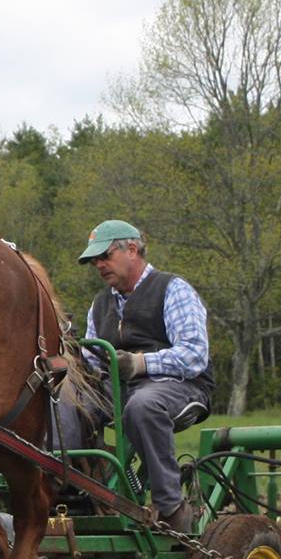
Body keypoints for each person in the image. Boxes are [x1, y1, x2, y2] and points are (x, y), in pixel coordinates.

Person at [57, 220, 213, 534]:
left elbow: (195, 354)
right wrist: (69, 363)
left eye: (105, 256)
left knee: (143, 405)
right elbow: (91, 363)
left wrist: (141, 363)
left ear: (132, 249)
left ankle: (171, 507)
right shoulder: (100, 304)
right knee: (65, 404)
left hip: (177, 385)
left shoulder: (172, 289)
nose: (99, 265)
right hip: (117, 386)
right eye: (94, 260)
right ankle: (71, 491)